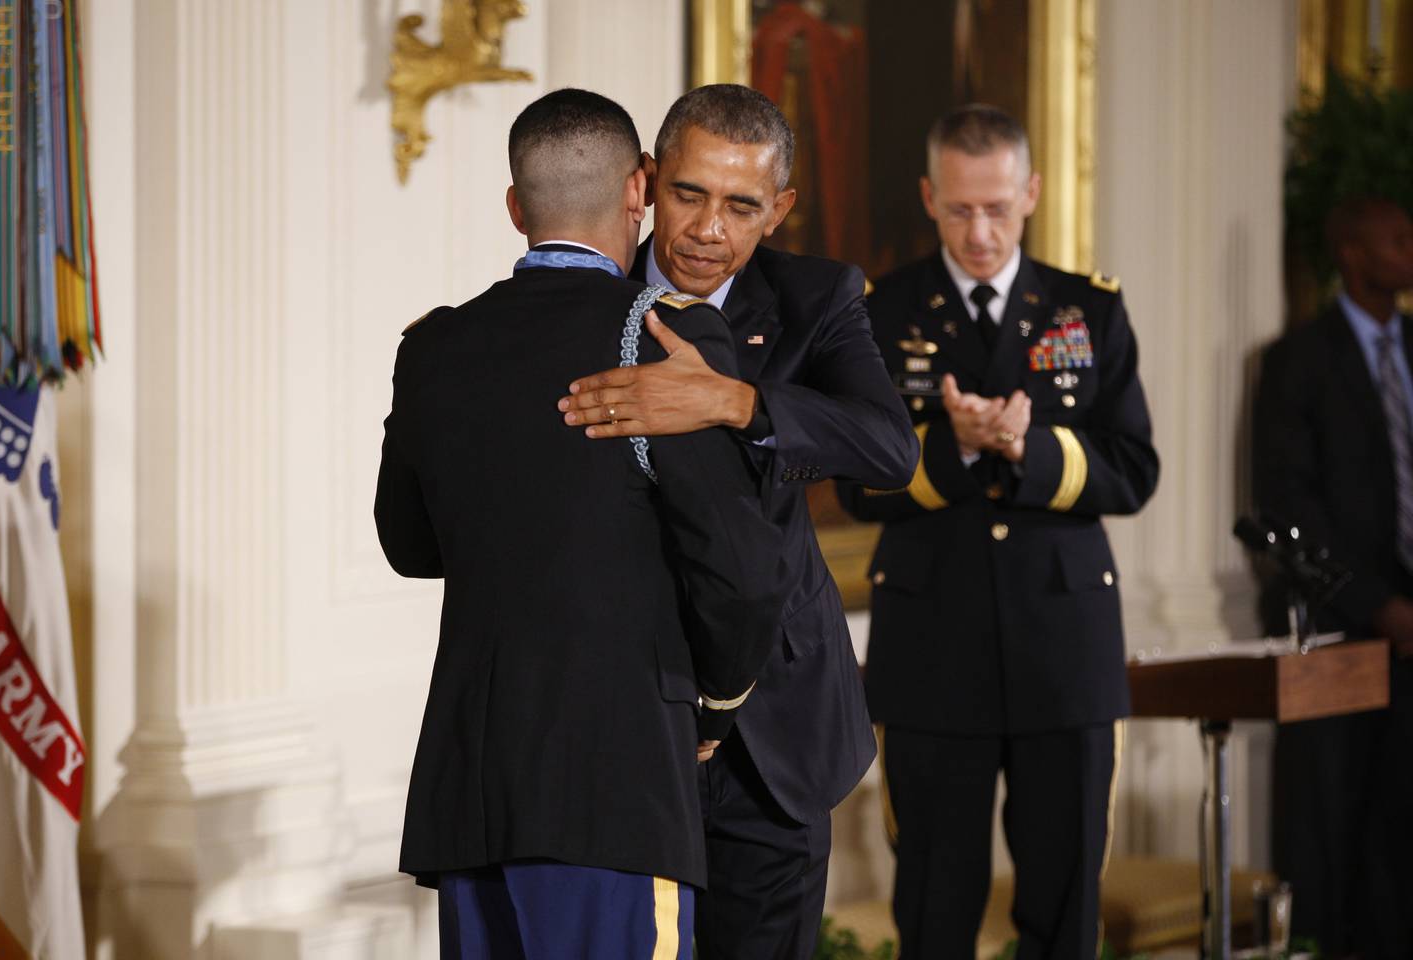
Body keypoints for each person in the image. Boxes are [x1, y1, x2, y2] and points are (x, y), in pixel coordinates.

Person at [374, 88, 786, 960]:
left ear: (517, 208)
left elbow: (409, 547)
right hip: (618, 789)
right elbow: (744, 575)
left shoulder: (435, 345)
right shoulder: (668, 338)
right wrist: (712, 708)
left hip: (472, 793)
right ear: (640, 189)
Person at [556, 84, 919, 958]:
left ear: (778, 210)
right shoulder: (575, 302)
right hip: (622, 724)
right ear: (646, 182)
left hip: (776, 736)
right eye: (689, 194)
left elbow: (888, 449)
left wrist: (733, 400)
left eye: (741, 205)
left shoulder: (815, 298)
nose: (708, 228)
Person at [836, 104, 1158, 959]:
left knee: (1062, 908)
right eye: (959, 210)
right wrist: (953, 450)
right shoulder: (880, 311)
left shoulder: (1086, 312)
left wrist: (1029, 449)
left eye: (999, 209)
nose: (980, 233)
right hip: (933, 649)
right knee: (936, 910)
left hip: (1065, 650)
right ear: (928, 198)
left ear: (1032, 194)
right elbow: (857, 486)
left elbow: (1134, 470)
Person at [1253, 195, 1413, 959]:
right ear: (1351, 252)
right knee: (1333, 832)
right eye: (1396, 237)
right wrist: (1378, 605)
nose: (1409, 246)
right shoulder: (1298, 361)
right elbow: (1287, 500)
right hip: (1343, 629)